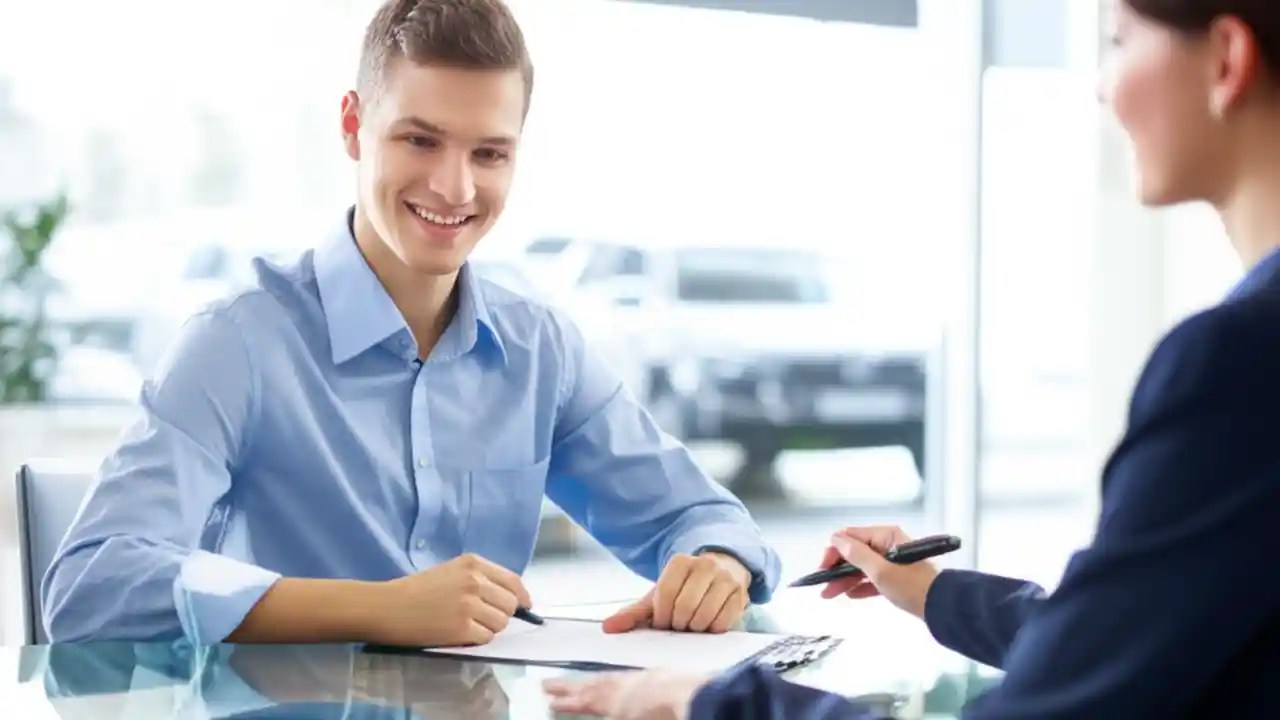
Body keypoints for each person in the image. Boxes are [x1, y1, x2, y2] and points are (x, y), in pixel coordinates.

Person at [543, 0, 1280, 717]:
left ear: (1225, 60)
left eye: (1118, 41)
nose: (1100, 83)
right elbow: (1136, 634)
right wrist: (933, 591)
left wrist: (718, 701)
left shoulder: (1234, 363)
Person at [42, 0, 781, 647]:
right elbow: (91, 584)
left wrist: (716, 564)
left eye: (489, 153)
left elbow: (702, 518)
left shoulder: (540, 351)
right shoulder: (238, 343)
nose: (454, 187)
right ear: (354, 126)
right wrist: (380, 609)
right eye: (420, 140)